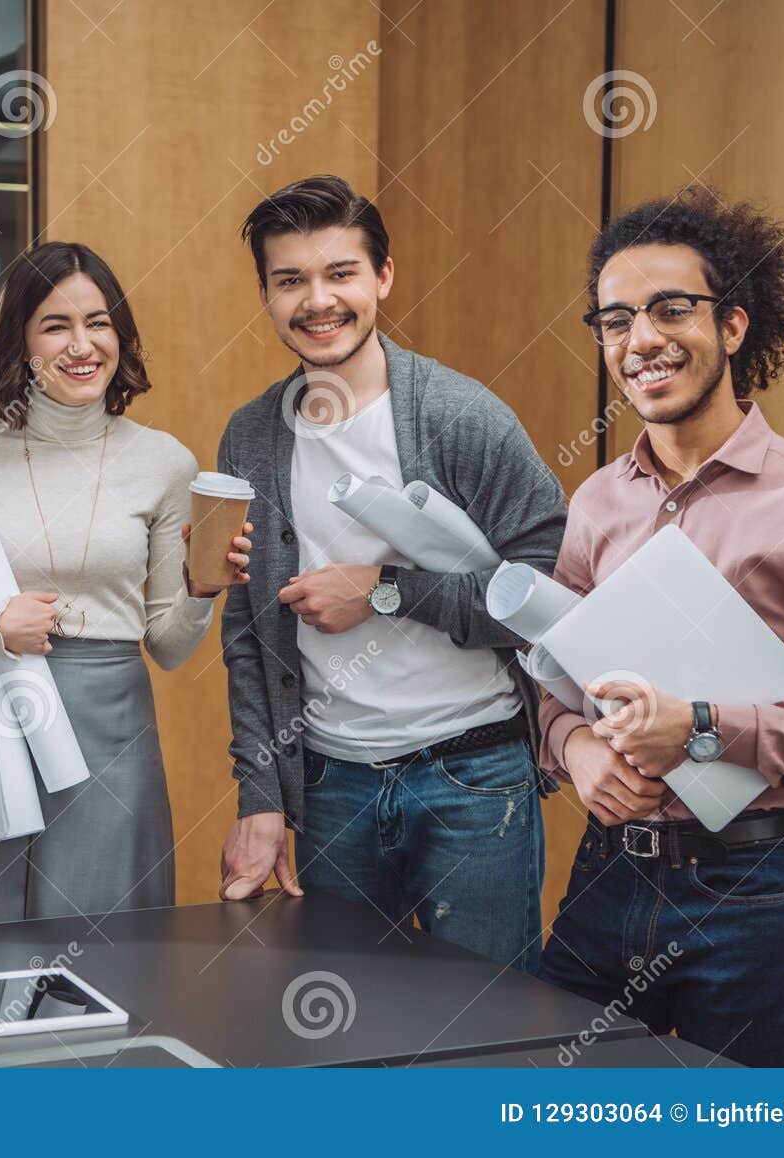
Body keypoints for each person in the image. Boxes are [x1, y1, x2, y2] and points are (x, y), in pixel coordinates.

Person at [536, 187, 784, 1066]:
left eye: (671, 309)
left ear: (734, 326)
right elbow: (553, 682)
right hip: (606, 876)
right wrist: (576, 751)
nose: (641, 339)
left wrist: (708, 730)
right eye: (615, 321)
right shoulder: (597, 501)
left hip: (756, 894)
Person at [216, 176, 566, 972]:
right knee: (346, 1041)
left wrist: (382, 591)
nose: (317, 300)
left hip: (472, 778)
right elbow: (247, 636)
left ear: (384, 278)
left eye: (340, 273)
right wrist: (263, 797)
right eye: (290, 280)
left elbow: (543, 598)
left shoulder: (462, 417)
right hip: (332, 784)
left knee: (482, 1043)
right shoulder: (250, 437)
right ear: (266, 296)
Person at [0, 241, 251, 928]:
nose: (82, 345)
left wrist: (205, 589)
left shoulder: (165, 463)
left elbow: (166, 648)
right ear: (19, 341)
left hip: (113, 737)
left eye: (99, 323)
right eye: (55, 325)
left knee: (105, 961)